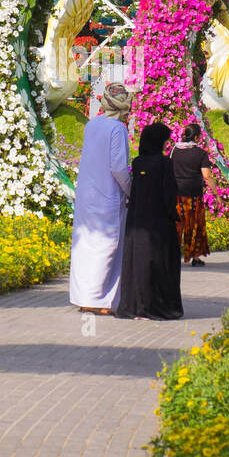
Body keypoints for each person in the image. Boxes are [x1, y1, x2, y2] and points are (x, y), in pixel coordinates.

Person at [69, 83, 132, 314]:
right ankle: (99, 301)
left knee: (86, 245)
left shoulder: (92, 124)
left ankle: (84, 298)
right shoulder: (117, 128)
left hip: (87, 195)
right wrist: (130, 190)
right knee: (106, 246)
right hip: (107, 196)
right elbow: (118, 167)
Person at [116, 122, 184, 320]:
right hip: (158, 222)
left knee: (137, 261)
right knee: (159, 261)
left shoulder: (138, 162)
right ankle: (154, 306)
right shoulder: (164, 163)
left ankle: (135, 306)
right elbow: (169, 194)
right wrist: (173, 215)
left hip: (137, 220)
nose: (166, 144)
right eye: (165, 141)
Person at [170, 122, 218, 267]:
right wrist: (216, 194)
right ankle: (195, 257)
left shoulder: (174, 150)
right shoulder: (200, 153)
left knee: (177, 225)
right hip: (193, 196)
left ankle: (172, 256)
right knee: (195, 226)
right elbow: (207, 176)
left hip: (176, 194)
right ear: (196, 137)